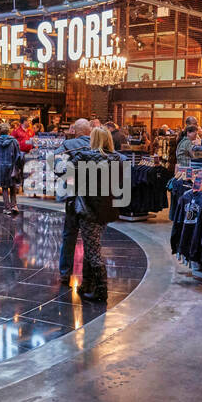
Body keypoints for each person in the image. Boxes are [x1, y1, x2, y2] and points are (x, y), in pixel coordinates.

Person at [69, 126, 120, 302]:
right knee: (92, 246)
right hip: (105, 209)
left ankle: (100, 290)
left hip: (87, 209)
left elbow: (68, 174)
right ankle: (87, 284)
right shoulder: (116, 159)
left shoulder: (84, 157)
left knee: (93, 250)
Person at [57, 118, 93, 285]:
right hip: (94, 196)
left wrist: (67, 175)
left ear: (75, 131)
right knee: (91, 237)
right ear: (89, 131)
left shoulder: (68, 145)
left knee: (69, 234)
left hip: (73, 194)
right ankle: (89, 273)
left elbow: (55, 163)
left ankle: (65, 272)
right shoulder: (98, 144)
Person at [0, 121, 23, 216]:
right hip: (12, 166)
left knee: (4, 188)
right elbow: (18, 155)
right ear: (8, 131)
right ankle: (14, 205)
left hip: (1, 166)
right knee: (12, 186)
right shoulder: (14, 141)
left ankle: (7, 208)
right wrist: (18, 166)